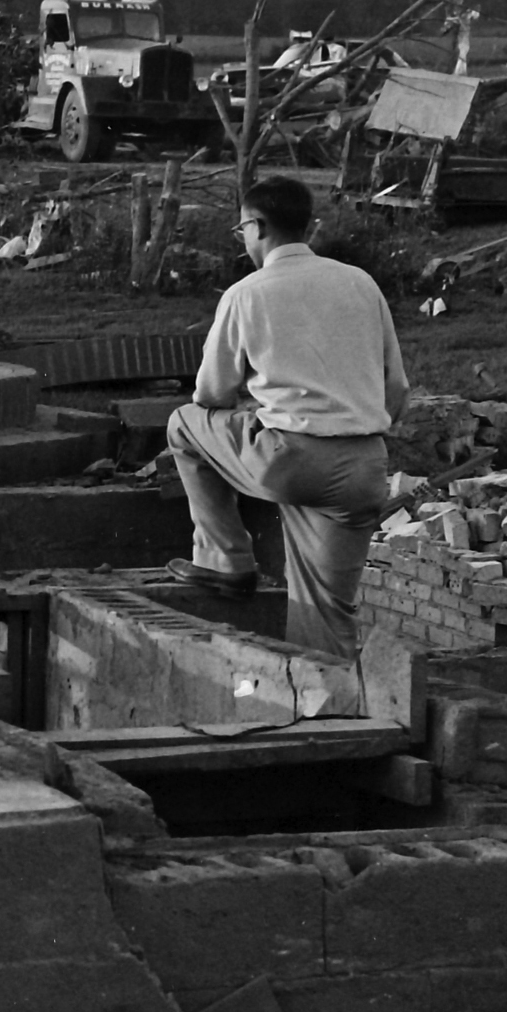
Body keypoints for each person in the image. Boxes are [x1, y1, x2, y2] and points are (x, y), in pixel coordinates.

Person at [164, 174, 409, 655]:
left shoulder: (246, 293)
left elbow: (210, 395)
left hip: (289, 462)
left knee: (182, 425)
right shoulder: (360, 283)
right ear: (308, 227)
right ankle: (333, 717)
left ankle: (224, 558)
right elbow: (396, 387)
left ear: (256, 227)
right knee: (325, 616)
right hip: (364, 468)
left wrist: (258, 406)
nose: (244, 242)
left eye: (242, 232)